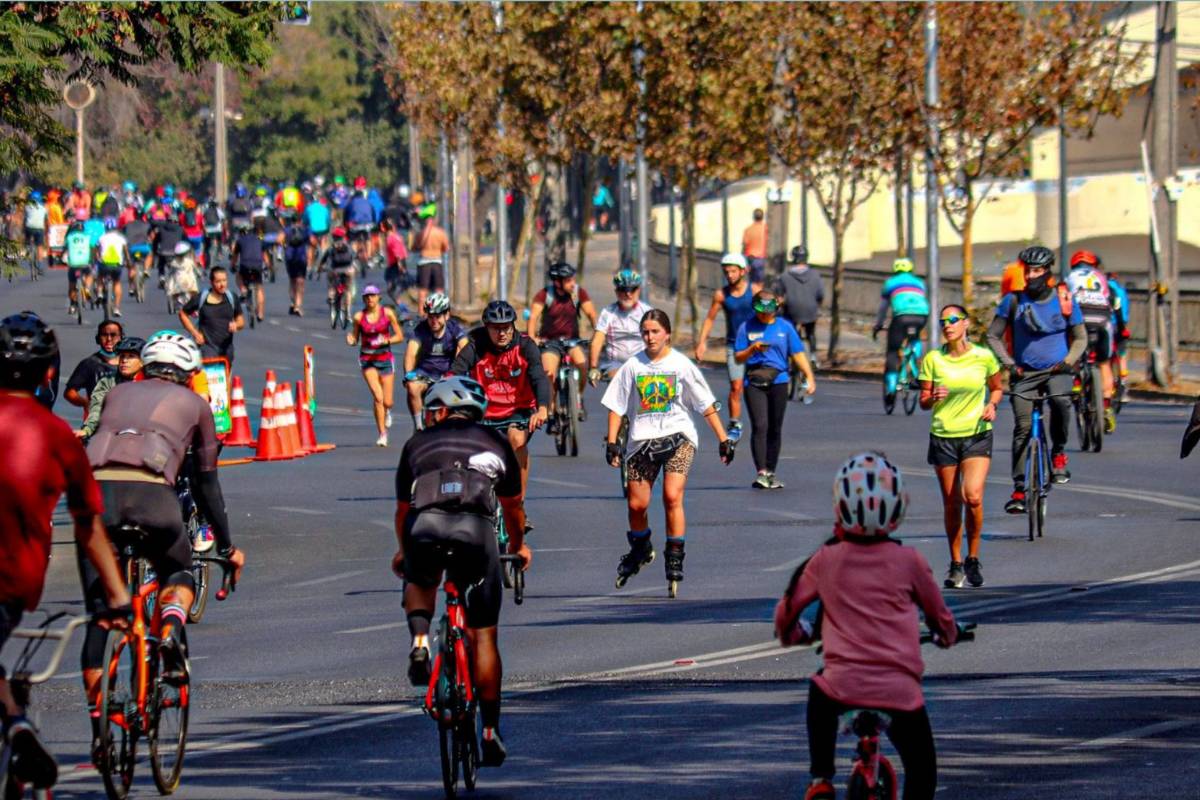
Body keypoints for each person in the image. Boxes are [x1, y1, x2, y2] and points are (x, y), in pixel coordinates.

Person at [85, 331, 245, 758]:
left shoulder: (119, 393)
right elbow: (207, 483)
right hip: (153, 497)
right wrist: (228, 548)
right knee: (178, 571)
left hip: (97, 498)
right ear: (188, 373)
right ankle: (171, 626)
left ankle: (100, 722)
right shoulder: (196, 405)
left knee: (102, 613)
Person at [774, 452, 959, 800]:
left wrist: (792, 633)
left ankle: (821, 780)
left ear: (839, 506)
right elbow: (940, 616)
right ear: (898, 508)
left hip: (841, 687)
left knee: (819, 689)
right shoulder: (910, 562)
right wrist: (948, 635)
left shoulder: (825, 559)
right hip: (898, 691)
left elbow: (788, 610)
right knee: (922, 772)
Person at [0, 313, 131, 790]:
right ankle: (15, 724)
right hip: (16, 580)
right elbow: (89, 526)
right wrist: (117, 596)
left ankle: (14, 721)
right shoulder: (58, 436)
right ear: (48, 373)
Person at [393, 375, 531, 767]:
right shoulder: (495, 442)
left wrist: (403, 552)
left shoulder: (417, 443)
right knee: (484, 636)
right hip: (476, 532)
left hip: (425, 527)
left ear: (439, 410)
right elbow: (513, 507)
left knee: (420, 578)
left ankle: (420, 642)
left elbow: (403, 510)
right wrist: (517, 545)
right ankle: (489, 729)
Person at [602, 309, 734, 594]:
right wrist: (613, 443)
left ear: (667, 334)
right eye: (645, 332)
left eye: (655, 332)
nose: (649, 337)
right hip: (642, 441)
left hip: (678, 437)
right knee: (637, 505)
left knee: (672, 495)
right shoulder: (633, 366)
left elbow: (704, 404)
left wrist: (723, 439)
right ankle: (641, 548)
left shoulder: (681, 365)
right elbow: (616, 405)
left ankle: (674, 557)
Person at [986, 245, 1086, 511]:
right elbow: (992, 335)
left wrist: (1067, 363)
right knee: (1021, 429)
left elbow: (1081, 338)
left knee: (1062, 404)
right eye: (1028, 271)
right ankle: (1019, 489)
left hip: (1057, 371)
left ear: (1048, 272)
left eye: (1037, 270)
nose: (1031, 276)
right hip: (1024, 374)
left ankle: (1058, 454)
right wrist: (1008, 363)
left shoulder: (1063, 299)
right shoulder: (1013, 301)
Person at [918, 305, 1003, 589]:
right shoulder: (933, 359)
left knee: (973, 496)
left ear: (965, 324)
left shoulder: (983, 357)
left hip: (976, 434)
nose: (948, 325)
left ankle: (973, 557)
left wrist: (992, 404)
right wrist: (934, 397)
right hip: (943, 435)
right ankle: (955, 564)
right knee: (952, 503)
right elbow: (924, 400)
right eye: (943, 321)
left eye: (953, 320)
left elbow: (997, 387)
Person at [452, 300, 550, 496]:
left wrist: (542, 408)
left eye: (506, 327)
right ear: (486, 327)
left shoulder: (525, 346)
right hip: (484, 412)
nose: (502, 333)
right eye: (496, 329)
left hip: (518, 410)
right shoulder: (475, 346)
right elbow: (455, 373)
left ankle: (518, 502)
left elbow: (538, 376)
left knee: (516, 438)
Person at [734, 292, 816, 489]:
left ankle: (771, 471)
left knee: (775, 428)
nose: (764, 316)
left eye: (768, 313)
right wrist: (752, 349)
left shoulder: (785, 328)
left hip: (779, 380)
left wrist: (809, 377)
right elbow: (738, 357)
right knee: (760, 425)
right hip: (754, 381)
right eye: (760, 313)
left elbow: (797, 354)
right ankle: (761, 472)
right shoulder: (746, 327)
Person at [696, 253, 761, 440]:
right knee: (736, 386)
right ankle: (734, 423)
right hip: (735, 346)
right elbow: (709, 318)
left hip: (755, 345)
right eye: (727, 272)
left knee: (758, 386)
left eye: (733, 271)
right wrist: (702, 343)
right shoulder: (721, 295)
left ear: (743, 271)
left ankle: (761, 420)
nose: (730, 275)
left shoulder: (755, 291)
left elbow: (767, 315)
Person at [527, 261, 598, 431]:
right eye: (568, 280)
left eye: (572, 279)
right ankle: (551, 411)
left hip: (572, 341)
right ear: (557, 282)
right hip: (549, 342)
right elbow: (533, 317)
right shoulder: (545, 295)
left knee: (582, 364)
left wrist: (598, 333)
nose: (572, 283)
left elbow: (591, 314)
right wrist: (532, 338)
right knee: (548, 373)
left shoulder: (578, 293)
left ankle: (578, 399)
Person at [1066, 250, 1118, 434]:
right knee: (1104, 362)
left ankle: (1076, 382)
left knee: (1071, 345)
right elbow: (1115, 302)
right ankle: (1106, 405)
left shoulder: (1069, 277)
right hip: (1103, 320)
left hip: (1080, 319)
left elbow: (1062, 302)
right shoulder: (1102, 278)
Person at [347, 285, 405, 447]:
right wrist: (351, 340)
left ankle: (387, 411)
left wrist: (388, 340)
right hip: (368, 360)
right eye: (367, 297)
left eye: (372, 296)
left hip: (385, 359)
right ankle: (382, 433)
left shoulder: (387, 314)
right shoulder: (359, 317)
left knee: (388, 401)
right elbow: (355, 337)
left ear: (379, 297)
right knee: (377, 397)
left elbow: (400, 336)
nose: (370, 299)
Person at [873, 257, 930, 412]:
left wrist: (878, 325)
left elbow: (883, 308)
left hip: (901, 317)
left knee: (892, 352)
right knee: (914, 336)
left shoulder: (890, 283)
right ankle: (915, 358)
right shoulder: (919, 282)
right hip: (921, 316)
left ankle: (891, 387)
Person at [404, 292, 468, 428]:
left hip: (448, 375)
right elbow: (411, 352)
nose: (434, 321)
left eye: (438, 317)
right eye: (430, 317)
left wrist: (457, 370)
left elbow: (465, 347)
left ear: (447, 315)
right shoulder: (420, 330)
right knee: (412, 387)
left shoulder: (454, 328)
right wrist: (408, 374)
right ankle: (418, 426)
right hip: (425, 375)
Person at [588, 268, 653, 385]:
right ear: (616, 292)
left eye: (632, 290)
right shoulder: (608, 313)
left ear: (638, 291)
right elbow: (597, 341)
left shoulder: (647, 312)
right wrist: (593, 367)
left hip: (643, 363)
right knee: (619, 375)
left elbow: (660, 338)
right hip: (615, 364)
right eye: (624, 290)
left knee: (659, 394)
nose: (628, 294)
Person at [77, 336, 144, 440]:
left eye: (131, 356)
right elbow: (96, 408)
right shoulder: (107, 381)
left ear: (142, 362)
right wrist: (87, 430)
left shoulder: (150, 382)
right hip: (112, 437)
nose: (124, 361)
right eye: (122, 356)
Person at [179, 266, 246, 365]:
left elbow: (241, 321)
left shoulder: (232, 298)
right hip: (207, 348)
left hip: (227, 349)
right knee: (211, 376)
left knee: (226, 379)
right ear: (211, 282)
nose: (222, 284)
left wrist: (236, 325)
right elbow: (183, 314)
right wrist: (195, 333)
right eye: (218, 281)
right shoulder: (202, 298)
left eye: (224, 280)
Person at [775, 245, 825, 364]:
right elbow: (821, 295)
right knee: (811, 331)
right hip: (810, 310)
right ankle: (813, 355)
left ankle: (787, 355)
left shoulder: (785, 276)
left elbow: (779, 296)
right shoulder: (815, 275)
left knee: (788, 328)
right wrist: (817, 306)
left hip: (792, 310)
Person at [63, 319, 122, 412]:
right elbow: (69, 392)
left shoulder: (131, 363)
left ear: (121, 338)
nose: (109, 339)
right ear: (98, 339)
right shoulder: (89, 364)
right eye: (104, 335)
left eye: (113, 335)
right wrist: (85, 403)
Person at [413, 206, 449, 312]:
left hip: (424, 262)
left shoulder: (420, 233)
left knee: (423, 290)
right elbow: (446, 248)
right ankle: (440, 310)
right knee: (439, 289)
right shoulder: (441, 233)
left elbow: (414, 247)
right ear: (434, 219)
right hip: (437, 261)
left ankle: (421, 313)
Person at [232, 221, 268, 321]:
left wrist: (233, 266)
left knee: (238, 276)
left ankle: (243, 290)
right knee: (259, 288)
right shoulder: (259, 239)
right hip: (257, 266)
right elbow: (265, 256)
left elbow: (235, 257)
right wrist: (267, 267)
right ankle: (260, 313)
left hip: (245, 265)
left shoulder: (240, 241)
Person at [318, 226, 358, 310]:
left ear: (333, 237)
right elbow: (354, 256)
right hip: (348, 271)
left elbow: (323, 260)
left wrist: (320, 268)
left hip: (335, 271)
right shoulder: (349, 247)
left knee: (331, 285)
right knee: (348, 290)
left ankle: (331, 296)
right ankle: (348, 313)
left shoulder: (331, 248)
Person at [95, 222, 129, 316]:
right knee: (117, 282)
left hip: (104, 264)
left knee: (100, 276)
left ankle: (100, 293)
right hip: (117, 265)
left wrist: (96, 258)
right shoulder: (121, 238)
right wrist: (128, 262)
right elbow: (125, 251)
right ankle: (117, 308)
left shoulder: (102, 238)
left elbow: (97, 250)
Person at [1106, 269, 1131, 400]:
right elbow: (1125, 310)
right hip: (1121, 325)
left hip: (1107, 325)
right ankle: (1123, 384)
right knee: (1121, 355)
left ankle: (1107, 386)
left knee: (1106, 357)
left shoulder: (1104, 289)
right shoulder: (1122, 291)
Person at [64, 220, 95, 316]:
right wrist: (92, 259)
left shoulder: (69, 237)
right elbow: (93, 248)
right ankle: (87, 289)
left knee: (71, 286)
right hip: (85, 263)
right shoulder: (87, 237)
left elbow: (64, 248)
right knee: (90, 274)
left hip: (73, 265)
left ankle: (73, 305)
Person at [283, 212, 310, 316]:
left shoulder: (287, 229)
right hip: (301, 258)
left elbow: (279, 239)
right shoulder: (304, 230)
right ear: (300, 220)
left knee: (292, 280)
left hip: (290, 258)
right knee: (300, 282)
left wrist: (285, 245)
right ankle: (298, 306)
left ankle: (293, 303)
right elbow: (312, 241)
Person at [149, 207, 184, 286]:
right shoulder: (180, 229)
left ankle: (162, 277)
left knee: (161, 264)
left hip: (163, 252)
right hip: (176, 252)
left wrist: (155, 252)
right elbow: (185, 241)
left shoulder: (161, 229)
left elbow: (156, 242)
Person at [381, 217, 409, 303]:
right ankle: (402, 306)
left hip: (396, 264)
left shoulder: (390, 238)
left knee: (392, 290)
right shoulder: (397, 236)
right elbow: (402, 250)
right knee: (393, 289)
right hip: (398, 263)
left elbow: (397, 253)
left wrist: (400, 265)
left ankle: (403, 308)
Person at [121, 211, 152, 288]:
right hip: (143, 248)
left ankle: (131, 287)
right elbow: (150, 236)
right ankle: (146, 269)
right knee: (150, 254)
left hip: (131, 248)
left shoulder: (127, 225)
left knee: (130, 267)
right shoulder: (147, 225)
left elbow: (123, 234)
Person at [741, 208, 768, 285]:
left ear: (753, 217)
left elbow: (745, 245)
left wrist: (743, 259)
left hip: (751, 258)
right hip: (762, 258)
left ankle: (753, 295)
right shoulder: (766, 229)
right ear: (763, 217)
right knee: (760, 282)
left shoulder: (748, 229)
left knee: (752, 281)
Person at [22, 190, 47, 271]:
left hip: (29, 227)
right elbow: (46, 220)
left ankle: (28, 246)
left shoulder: (27, 206)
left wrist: (23, 228)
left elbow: (25, 218)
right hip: (40, 228)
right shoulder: (44, 208)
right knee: (40, 246)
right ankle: (39, 265)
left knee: (27, 236)